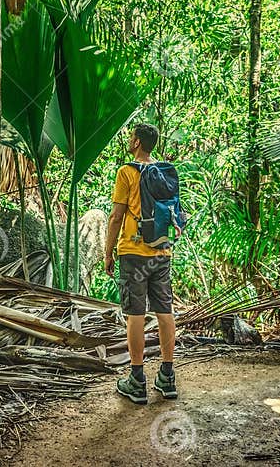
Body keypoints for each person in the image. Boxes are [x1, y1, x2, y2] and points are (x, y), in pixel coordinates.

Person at [104, 123, 177, 404]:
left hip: (133, 253)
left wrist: (108, 252)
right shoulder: (165, 171)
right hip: (161, 251)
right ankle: (167, 377)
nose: (129, 139)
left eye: (131, 136)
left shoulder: (127, 172)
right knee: (164, 311)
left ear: (136, 143)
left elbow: (116, 216)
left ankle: (136, 380)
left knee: (135, 315)